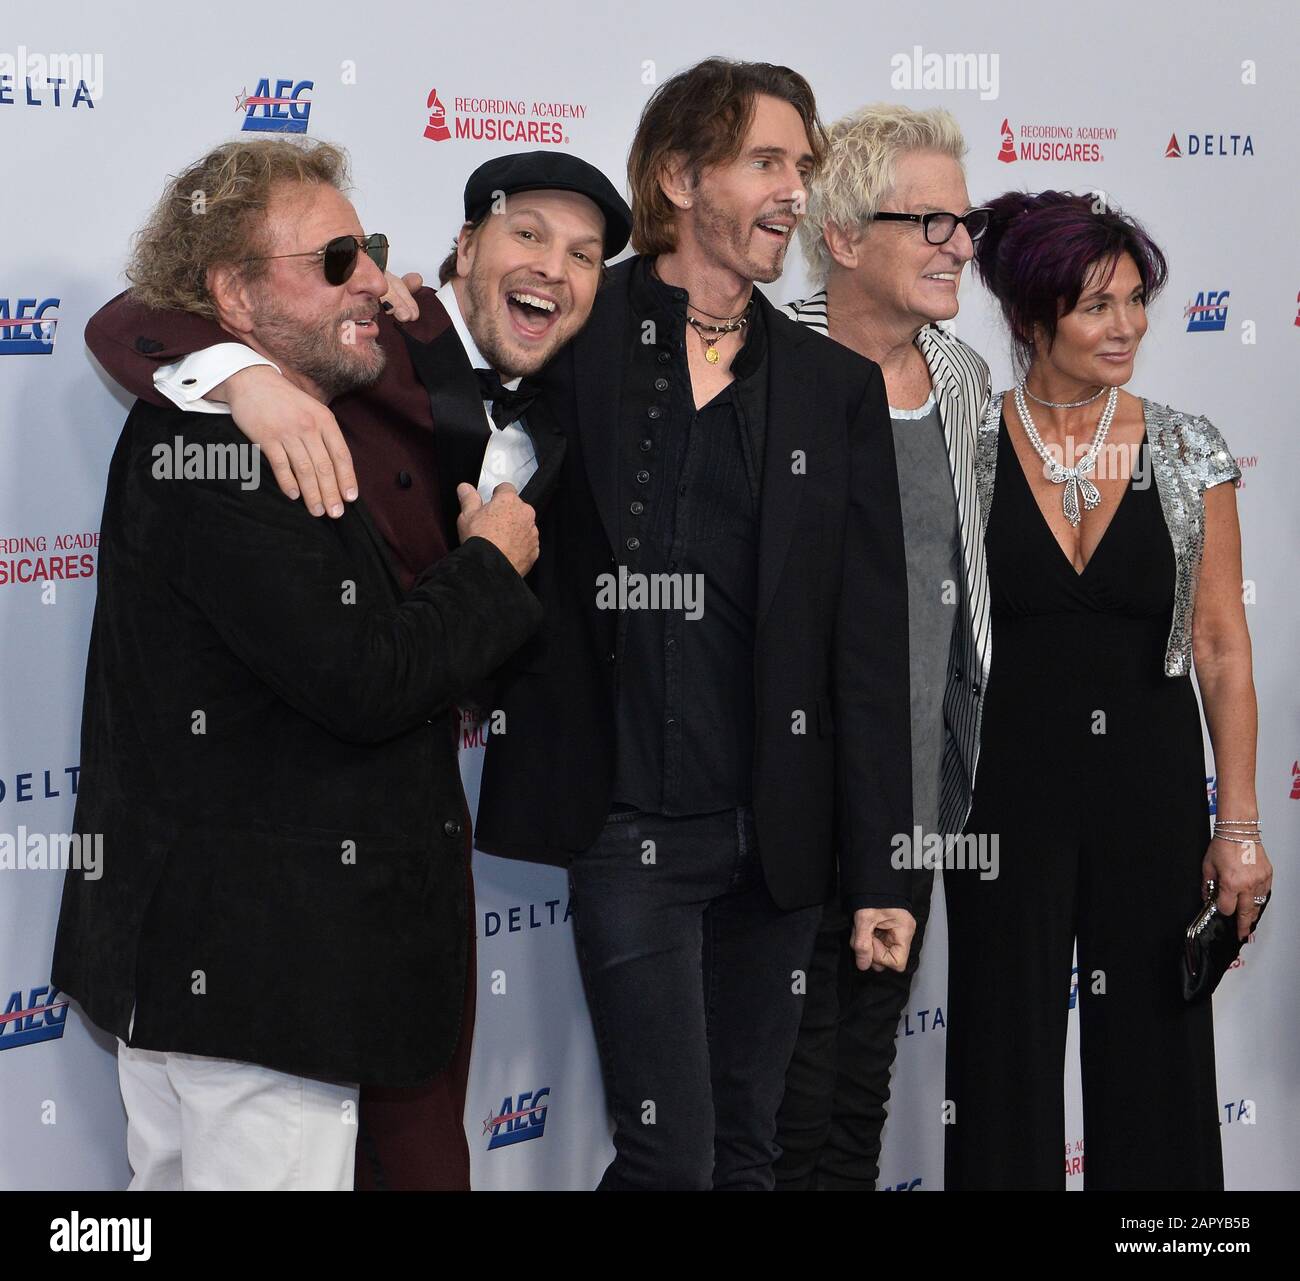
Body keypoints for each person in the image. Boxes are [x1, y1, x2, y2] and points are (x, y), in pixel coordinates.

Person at [51, 137, 546, 1190]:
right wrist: (492, 566)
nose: (374, 279)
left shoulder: (236, 422)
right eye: (334, 261)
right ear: (231, 293)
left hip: (221, 976)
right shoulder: (237, 451)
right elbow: (367, 682)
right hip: (258, 981)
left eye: (366, 248)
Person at [469, 58, 913, 1191]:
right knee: (670, 1158)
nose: (794, 192)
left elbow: (865, 647)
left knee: (750, 1149)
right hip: (627, 827)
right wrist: (245, 381)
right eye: (768, 161)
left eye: (802, 169)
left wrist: (882, 872)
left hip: (776, 836)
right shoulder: (575, 322)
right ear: (679, 177)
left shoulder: (829, 386)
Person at [944, 189, 1274, 1189]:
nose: (1125, 325)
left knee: (1160, 1065)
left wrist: (1241, 828)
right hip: (1000, 793)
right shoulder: (962, 445)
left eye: (1135, 299)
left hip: (1151, 790)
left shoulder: (1184, 446)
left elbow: (1220, 643)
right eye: (1095, 304)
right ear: (1028, 319)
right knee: (998, 1060)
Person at [774, 105, 991, 1190]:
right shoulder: (770, 371)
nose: (959, 244)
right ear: (844, 235)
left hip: (914, 807)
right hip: (789, 814)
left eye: (967, 220)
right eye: (931, 220)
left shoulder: (959, 380)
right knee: (781, 1112)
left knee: (859, 1099)